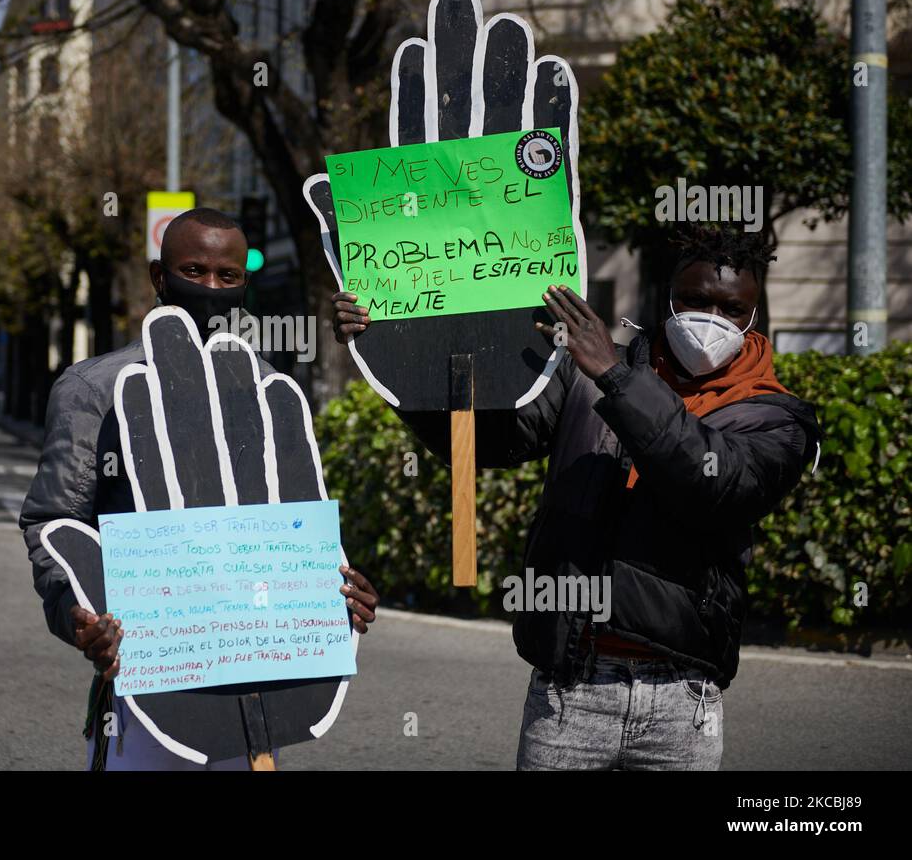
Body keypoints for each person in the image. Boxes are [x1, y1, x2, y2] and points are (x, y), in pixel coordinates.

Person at [333, 226, 821, 770]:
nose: (712, 317)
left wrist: (615, 375)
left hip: (682, 701)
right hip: (571, 692)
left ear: (753, 315)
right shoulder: (587, 374)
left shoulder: (777, 416)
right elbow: (485, 444)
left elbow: (713, 484)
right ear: (668, 298)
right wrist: (393, 355)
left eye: (731, 308)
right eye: (695, 299)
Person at [22, 207, 379, 770]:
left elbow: (294, 528)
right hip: (147, 695)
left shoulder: (269, 391)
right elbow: (54, 524)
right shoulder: (94, 388)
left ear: (243, 285)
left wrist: (337, 591)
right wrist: (78, 614)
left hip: (255, 689)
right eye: (194, 271)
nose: (211, 287)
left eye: (228, 277)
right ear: (159, 278)